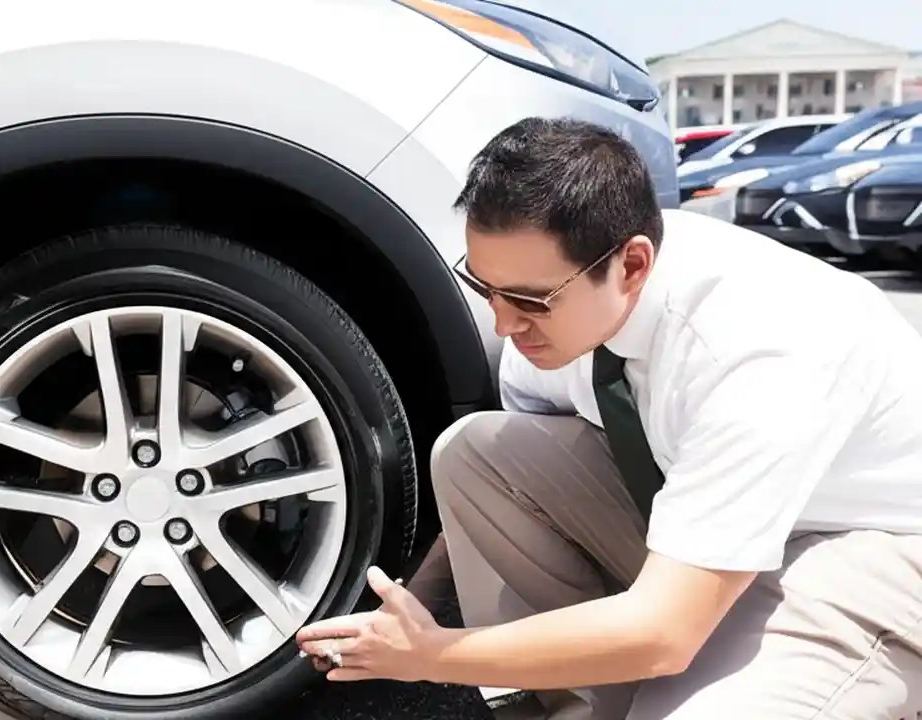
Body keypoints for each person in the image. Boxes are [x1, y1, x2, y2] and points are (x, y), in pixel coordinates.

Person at [294, 116, 922, 719]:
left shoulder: (762, 350)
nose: (503, 324)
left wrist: (432, 658)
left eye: (528, 300)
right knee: (477, 451)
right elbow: (497, 489)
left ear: (633, 265)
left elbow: (666, 632)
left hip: (862, 546)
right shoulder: (569, 306)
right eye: (486, 288)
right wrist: (409, 609)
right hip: (717, 529)